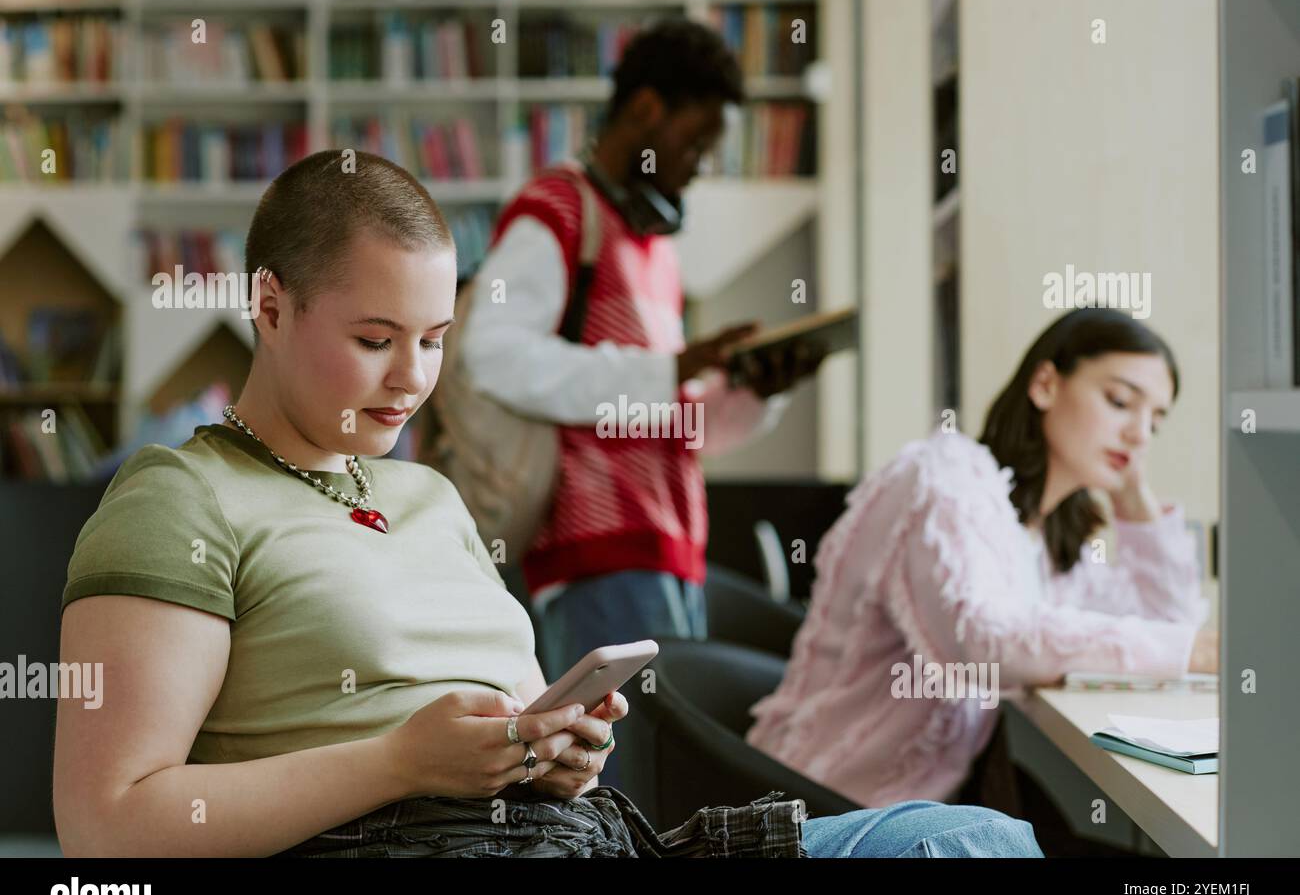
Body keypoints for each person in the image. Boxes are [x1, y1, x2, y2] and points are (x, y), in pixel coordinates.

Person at [52, 150, 1040, 858]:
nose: (412, 378)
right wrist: (398, 761)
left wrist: (553, 750)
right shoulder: (181, 496)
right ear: (269, 304)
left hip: (585, 833)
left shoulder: (431, 498)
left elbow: (499, 734)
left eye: (435, 337)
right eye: (374, 338)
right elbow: (108, 823)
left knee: (971, 836)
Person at [456, 19, 821, 788]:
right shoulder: (556, 210)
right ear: (648, 111)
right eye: (694, 141)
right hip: (597, 550)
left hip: (667, 551)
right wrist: (671, 366)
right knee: (615, 784)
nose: (696, 167)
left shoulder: (654, 248)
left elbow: (669, 417)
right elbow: (494, 354)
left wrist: (755, 393)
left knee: (661, 780)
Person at [745, 307, 1218, 851]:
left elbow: (1168, 625)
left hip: (932, 815)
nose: (1138, 434)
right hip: (831, 809)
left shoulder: (1043, 536)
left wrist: (1134, 497)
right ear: (1045, 383)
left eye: (1155, 421)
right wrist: (1197, 650)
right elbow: (983, 640)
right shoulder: (946, 475)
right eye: (1119, 402)